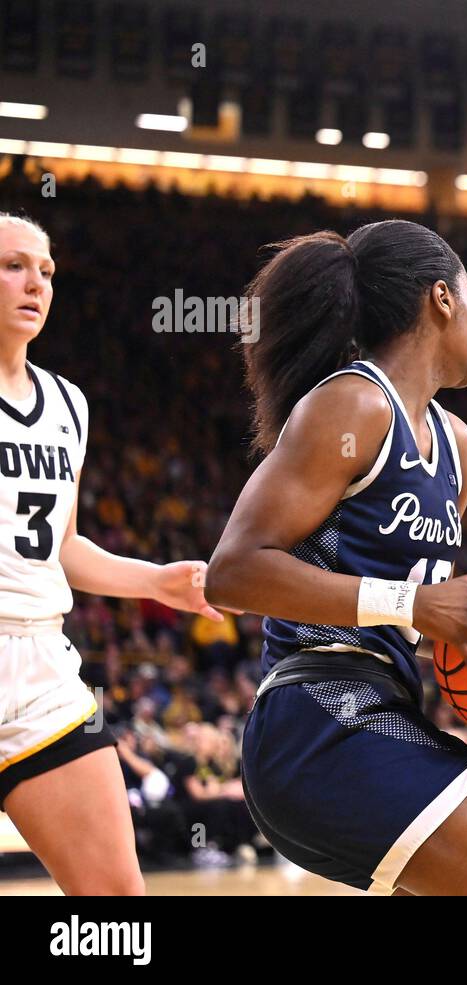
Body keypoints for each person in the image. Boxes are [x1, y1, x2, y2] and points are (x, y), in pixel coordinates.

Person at [205, 219, 467, 895]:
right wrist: (415, 602)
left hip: (389, 707)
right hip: (320, 721)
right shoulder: (354, 403)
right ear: (441, 299)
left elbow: (412, 617)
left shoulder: (455, 445)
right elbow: (231, 573)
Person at [0, 213, 222, 894]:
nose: (35, 281)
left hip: (42, 672)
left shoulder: (68, 404)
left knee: (118, 904)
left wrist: (159, 579)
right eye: (13, 265)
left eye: (46, 270)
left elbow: (63, 547)